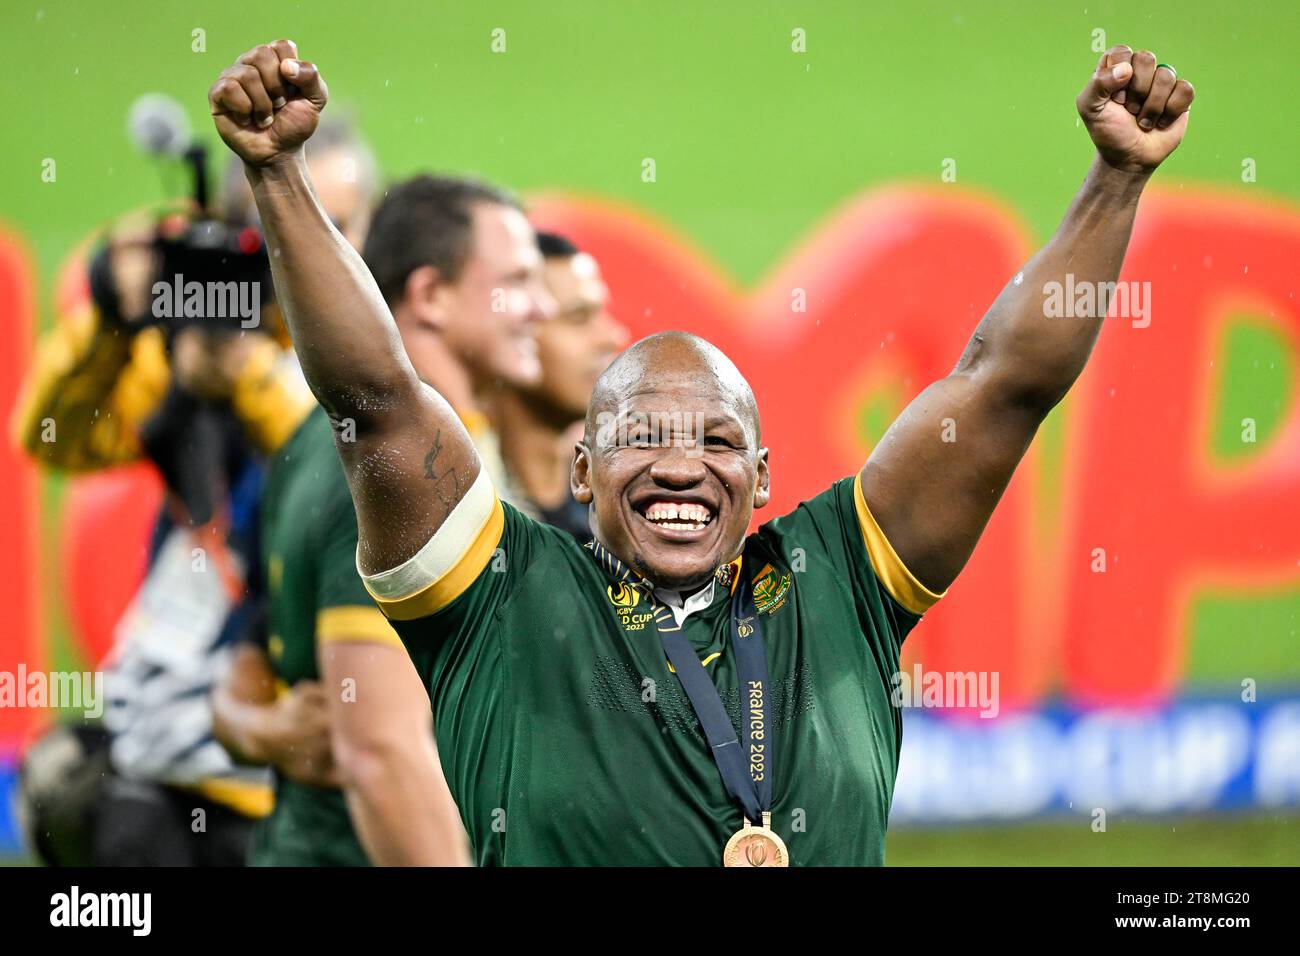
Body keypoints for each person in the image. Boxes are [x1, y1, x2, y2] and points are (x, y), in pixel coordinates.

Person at [208, 39, 1194, 865]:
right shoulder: (501, 599)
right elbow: (376, 397)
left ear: (762, 478)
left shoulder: (840, 577)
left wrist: (1116, 178)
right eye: (638, 434)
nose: (679, 462)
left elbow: (999, 386)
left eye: (717, 440)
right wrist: (276, 176)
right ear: (583, 468)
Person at [212, 136, 552, 866]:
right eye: (518, 281)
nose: (541, 307)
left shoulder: (329, 435)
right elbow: (382, 752)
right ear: (429, 295)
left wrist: (243, 721)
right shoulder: (395, 469)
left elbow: (261, 653)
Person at [491, 231, 627, 539]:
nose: (612, 337)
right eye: (579, 318)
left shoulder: (619, 506)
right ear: (516, 332)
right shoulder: (461, 502)